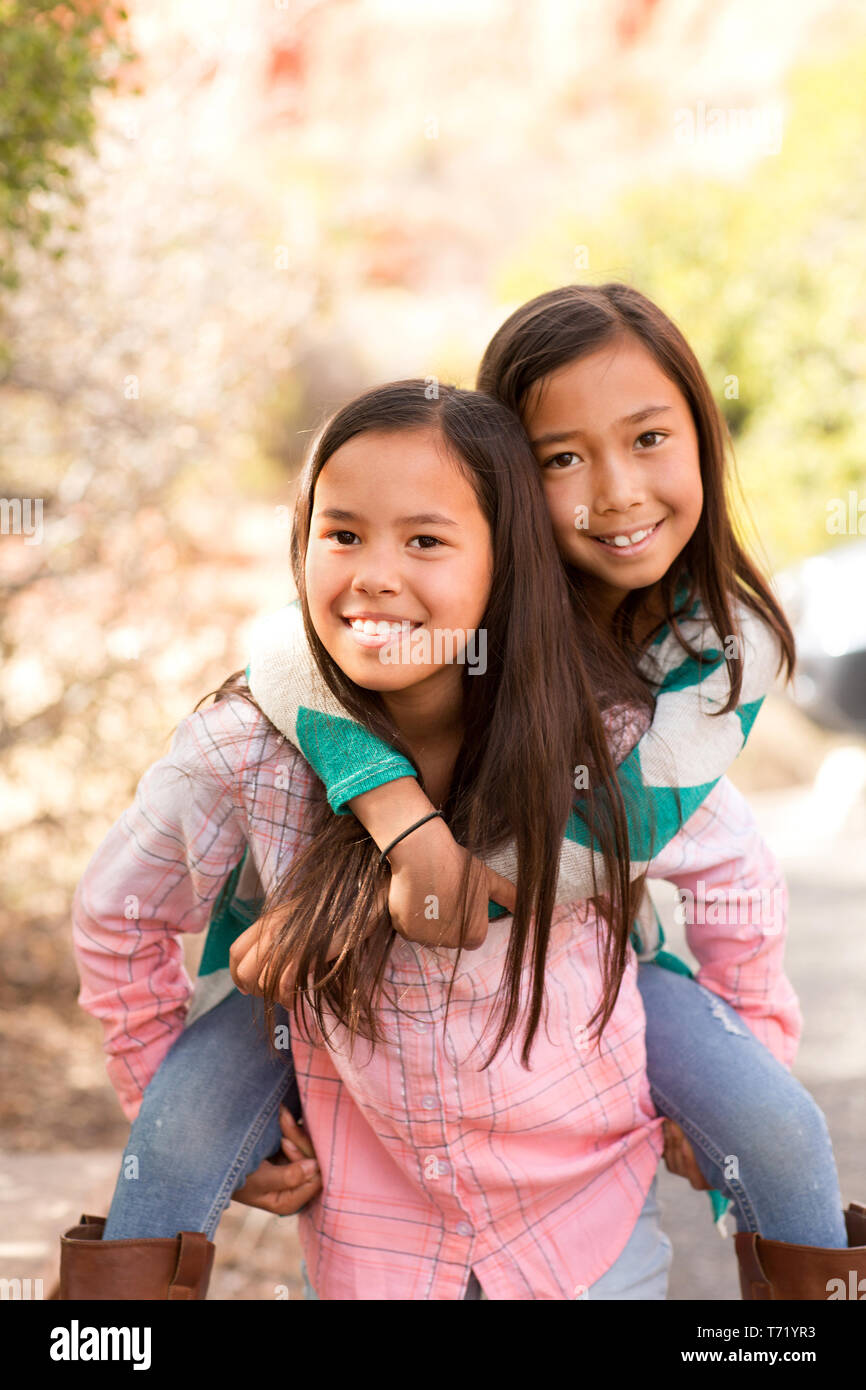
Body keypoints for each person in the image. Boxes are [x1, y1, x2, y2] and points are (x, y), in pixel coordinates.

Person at [60, 374, 848, 1300]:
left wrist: (747, 1044)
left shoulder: (600, 737)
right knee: (175, 1131)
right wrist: (161, 1084)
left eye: (426, 541)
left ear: (505, 566)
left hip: (578, 1219)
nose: (375, 574)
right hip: (377, 1230)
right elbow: (118, 916)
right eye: (342, 534)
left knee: (786, 1129)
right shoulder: (248, 750)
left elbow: (736, 876)